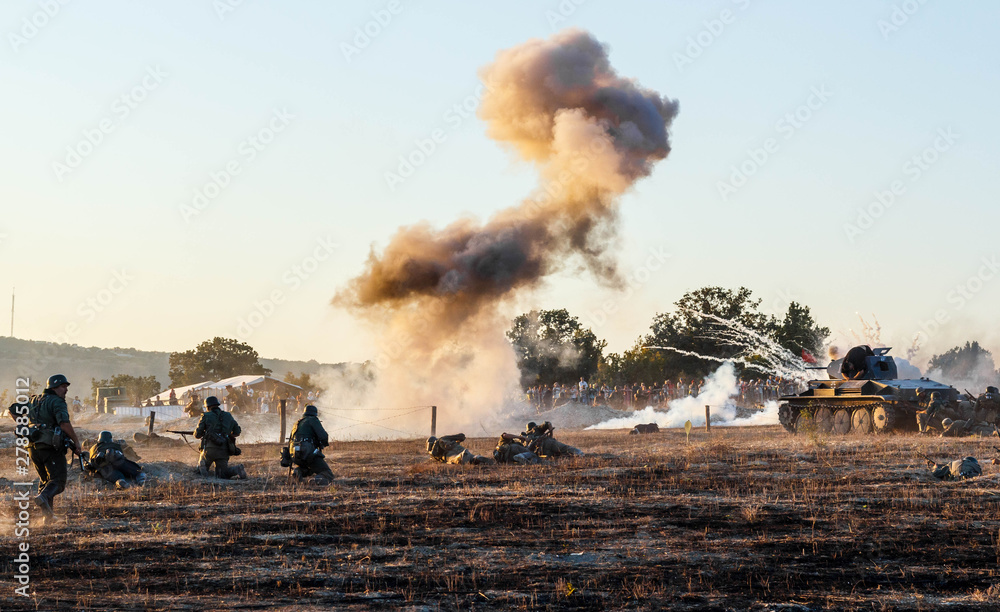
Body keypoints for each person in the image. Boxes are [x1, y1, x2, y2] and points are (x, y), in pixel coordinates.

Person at [25, 374, 82, 524]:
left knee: (46, 481)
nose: (66, 390)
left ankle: (47, 517)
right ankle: (43, 500)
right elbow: (64, 424)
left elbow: (14, 410)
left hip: (32, 446)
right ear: (54, 387)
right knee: (58, 481)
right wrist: (76, 442)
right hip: (49, 446)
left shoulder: (34, 400)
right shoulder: (57, 402)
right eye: (63, 386)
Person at [194, 396, 247, 479]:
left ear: (208, 406)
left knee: (199, 472)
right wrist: (225, 436)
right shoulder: (228, 415)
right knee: (222, 475)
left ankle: (202, 467)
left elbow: (197, 435)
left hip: (209, 449)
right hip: (224, 450)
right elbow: (237, 432)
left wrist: (206, 434)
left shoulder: (205, 416)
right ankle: (237, 469)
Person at [281, 405, 334, 485]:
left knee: (310, 467)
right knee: (327, 473)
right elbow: (323, 436)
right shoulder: (313, 420)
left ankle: (298, 471)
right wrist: (323, 444)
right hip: (308, 452)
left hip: (294, 455)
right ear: (315, 414)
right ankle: (316, 481)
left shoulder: (297, 423)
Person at [426, 433, 494, 465]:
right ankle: (476, 458)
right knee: (470, 457)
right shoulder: (439, 445)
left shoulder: (439, 444)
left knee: (456, 459)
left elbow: (434, 454)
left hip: (449, 454)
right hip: (457, 450)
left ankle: (464, 456)